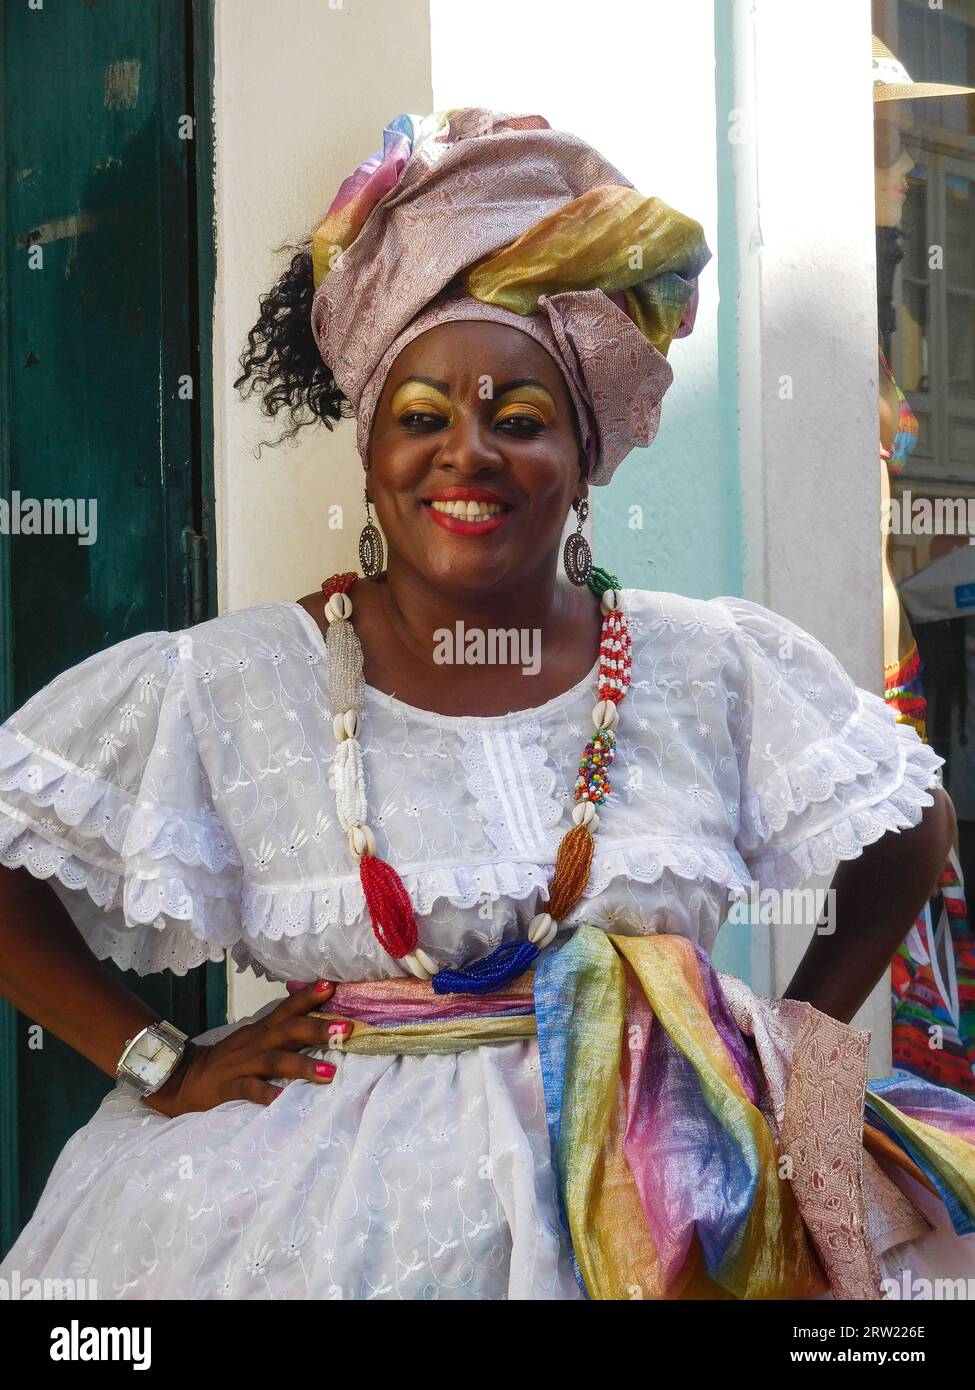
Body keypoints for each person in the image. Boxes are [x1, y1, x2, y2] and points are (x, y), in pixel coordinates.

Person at [0, 108, 973, 1301]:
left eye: (520, 420)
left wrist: (794, 1063)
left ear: (582, 455)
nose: (468, 452)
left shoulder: (711, 663)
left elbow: (910, 831)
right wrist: (158, 1060)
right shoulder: (225, 682)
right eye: (423, 418)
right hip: (309, 1230)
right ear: (369, 452)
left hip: (678, 1204)